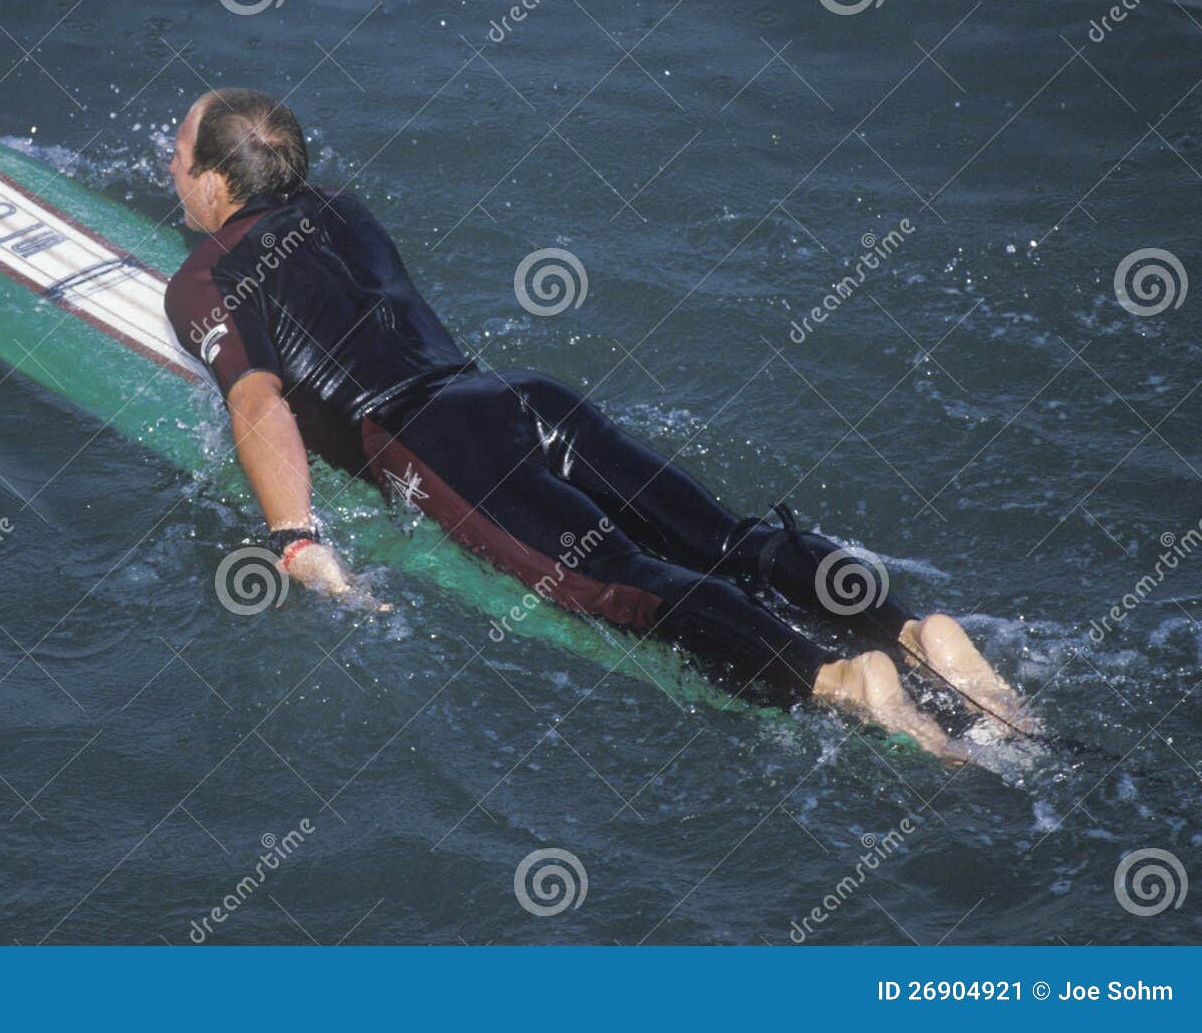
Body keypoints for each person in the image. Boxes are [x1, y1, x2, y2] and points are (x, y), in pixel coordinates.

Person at [162, 88, 1027, 759]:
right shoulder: (344, 205)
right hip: (514, 394)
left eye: (177, 153)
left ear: (213, 179)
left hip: (433, 442)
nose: (167, 168)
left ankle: (839, 678)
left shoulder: (200, 279)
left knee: (624, 581)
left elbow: (256, 400)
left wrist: (295, 535)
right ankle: (907, 628)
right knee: (728, 537)